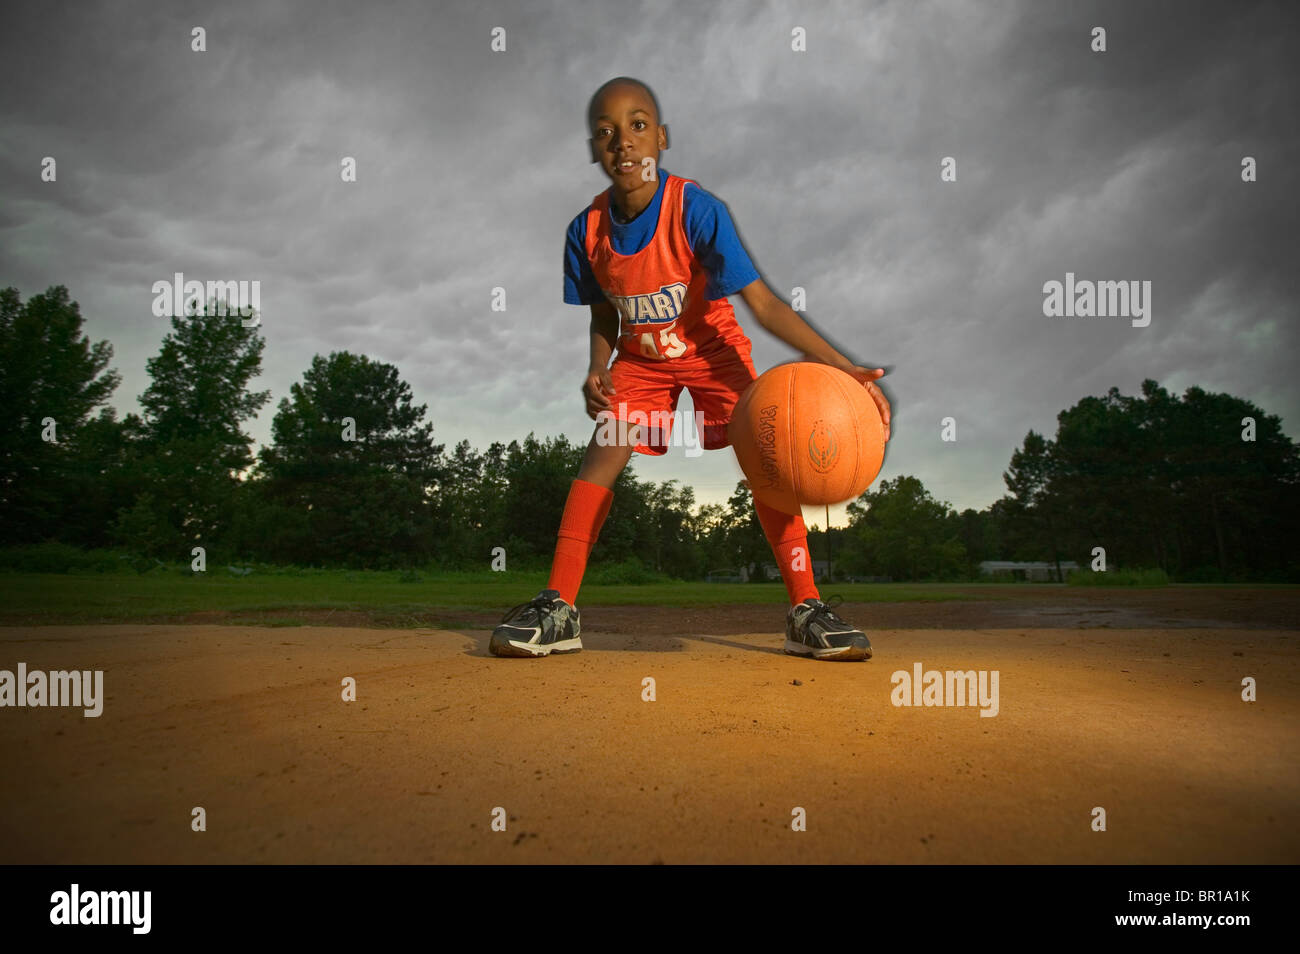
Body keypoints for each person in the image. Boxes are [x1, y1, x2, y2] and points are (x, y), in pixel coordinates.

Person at [489, 77, 891, 661]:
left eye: (637, 124)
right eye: (606, 131)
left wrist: (841, 366)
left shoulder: (696, 209)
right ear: (593, 150)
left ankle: (806, 608)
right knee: (601, 454)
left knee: (769, 460)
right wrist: (597, 365)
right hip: (642, 360)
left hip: (712, 352)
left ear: (663, 138)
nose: (622, 141)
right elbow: (606, 311)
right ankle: (558, 606)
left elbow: (766, 304)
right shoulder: (586, 231)